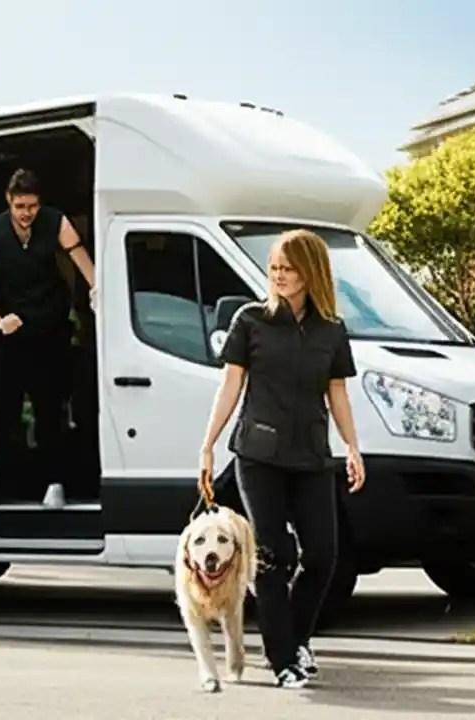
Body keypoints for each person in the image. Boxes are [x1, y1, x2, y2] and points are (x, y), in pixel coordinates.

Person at [197, 228, 365, 689]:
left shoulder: (331, 330)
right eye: (274, 267)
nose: (278, 275)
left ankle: (297, 640)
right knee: (272, 556)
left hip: (311, 455)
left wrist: (353, 446)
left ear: (310, 272)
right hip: (258, 455)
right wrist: (208, 445)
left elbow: (338, 394)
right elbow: (230, 385)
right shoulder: (250, 321)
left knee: (323, 555)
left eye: (287, 268)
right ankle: (282, 660)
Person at [0, 168, 96, 504]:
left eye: (33, 206)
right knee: (9, 411)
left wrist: (98, 293)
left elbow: (83, 263)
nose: (27, 213)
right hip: (14, 333)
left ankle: (55, 484)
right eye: (21, 206)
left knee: (50, 409)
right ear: (9, 201)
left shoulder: (55, 222)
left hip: (52, 329)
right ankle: (11, 485)